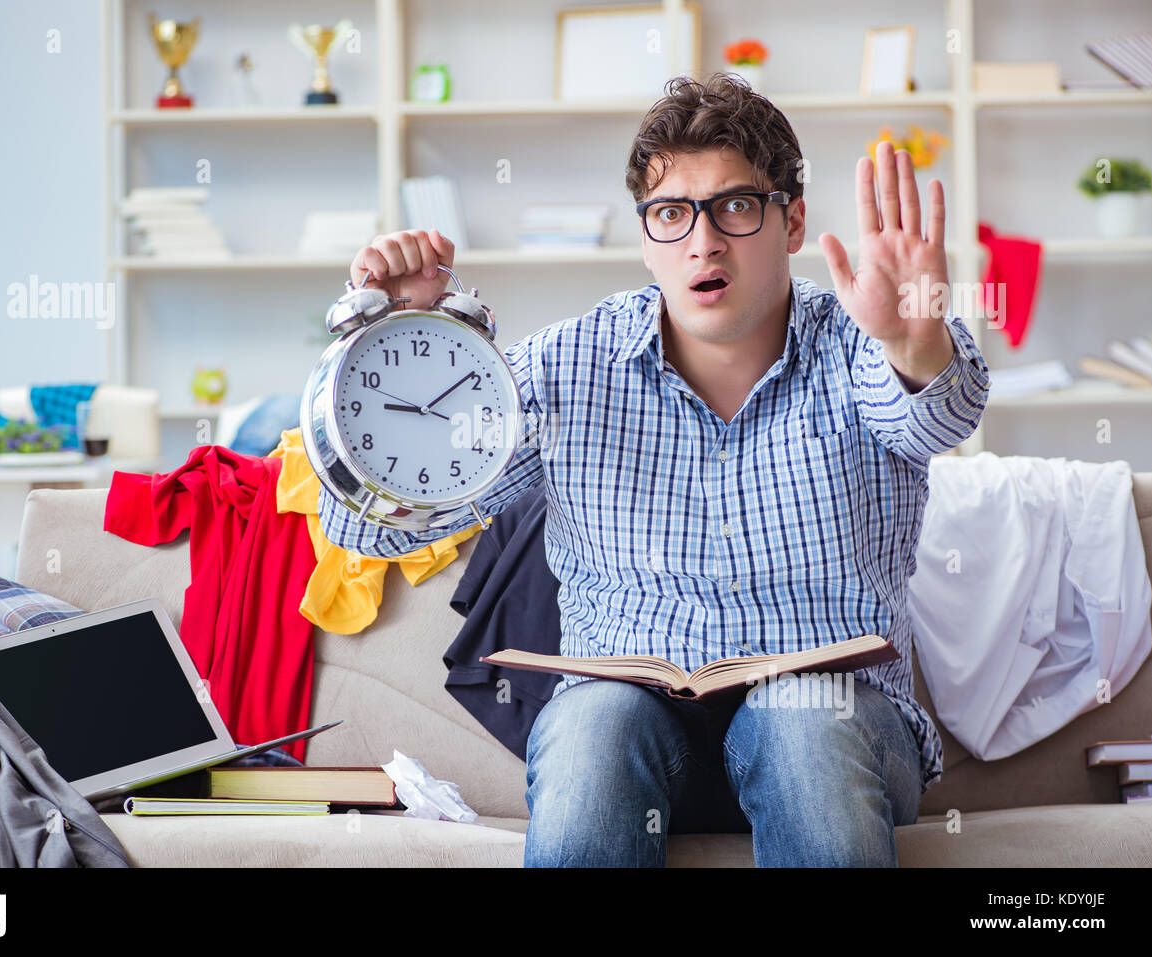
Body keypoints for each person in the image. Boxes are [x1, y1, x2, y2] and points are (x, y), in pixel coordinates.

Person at [316, 73, 990, 867]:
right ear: (646, 237)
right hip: (632, 727)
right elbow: (368, 530)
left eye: (735, 207)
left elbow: (937, 413)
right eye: (672, 214)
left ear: (793, 219)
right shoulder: (562, 368)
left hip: (832, 732)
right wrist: (389, 356)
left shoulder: (858, 342)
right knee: (596, 723)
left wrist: (914, 343)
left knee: (801, 718)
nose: (702, 242)